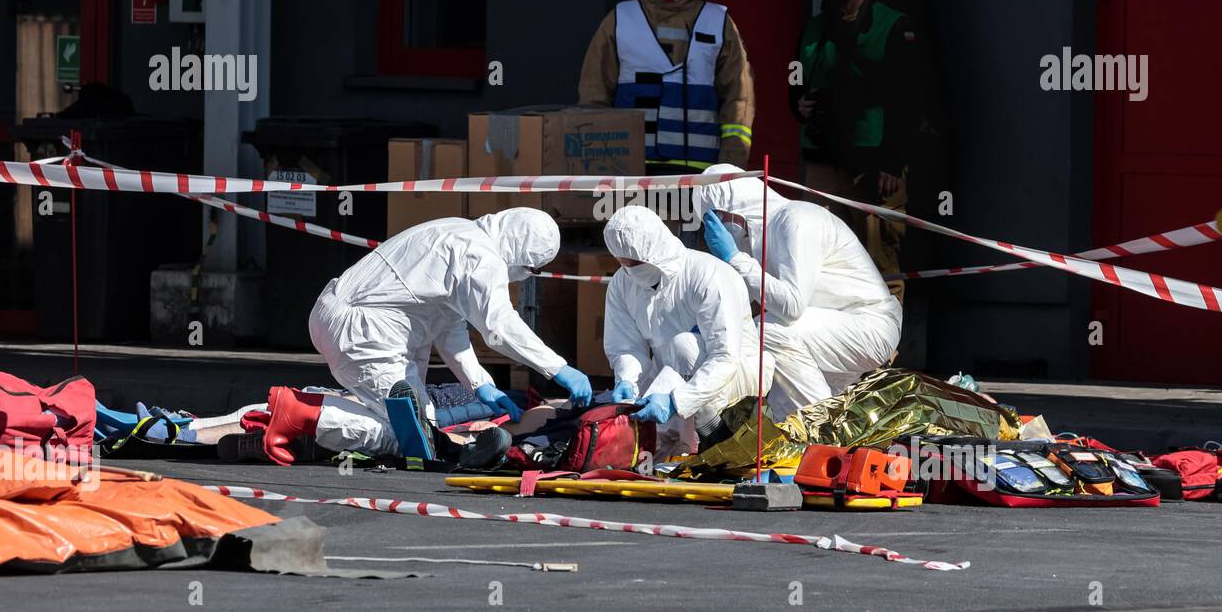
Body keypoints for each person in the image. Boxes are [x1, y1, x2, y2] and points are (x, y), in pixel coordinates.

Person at [306, 208, 593, 458]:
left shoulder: (456, 229)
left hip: (345, 317)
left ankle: (304, 410)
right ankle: (304, 421)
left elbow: (449, 326)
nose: (527, 274)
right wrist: (558, 368)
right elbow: (500, 325)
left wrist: (480, 384)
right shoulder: (483, 258)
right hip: (369, 333)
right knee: (414, 436)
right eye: (532, 269)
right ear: (522, 255)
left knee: (414, 420)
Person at [693, 164, 902, 418]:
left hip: (869, 325)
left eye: (716, 221)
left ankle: (821, 431)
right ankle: (802, 443)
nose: (717, 232)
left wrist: (735, 257)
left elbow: (792, 306)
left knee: (767, 331)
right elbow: (741, 306)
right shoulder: (760, 240)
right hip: (833, 329)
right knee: (784, 401)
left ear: (733, 208)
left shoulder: (795, 220)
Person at [789, 0, 920, 301]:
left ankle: (885, 354)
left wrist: (893, 163)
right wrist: (798, 103)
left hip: (874, 166)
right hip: (823, 163)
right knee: (820, 262)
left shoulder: (894, 27)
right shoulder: (815, 27)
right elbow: (794, 77)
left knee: (880, 266)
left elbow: (909, 101)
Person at [578, 0, 755, 173]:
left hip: (700, 175)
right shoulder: (619, 20)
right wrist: (597, 163)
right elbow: (593, 98)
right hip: (630, 169)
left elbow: (739, 99)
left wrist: (731, 168)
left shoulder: (719, 23)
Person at [601, 205, 772, 457]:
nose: (629, 269)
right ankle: (683, 439)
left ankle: (713, 439)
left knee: (684, 347)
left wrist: (677, 401)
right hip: (671, 375)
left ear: (654, 250)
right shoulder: (622, 282)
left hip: (735, 374)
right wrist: (627, 378)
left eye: (634, 263)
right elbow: (626, 346)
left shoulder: (707, 274)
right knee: (635, 432)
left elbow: (724, 358)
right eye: (622, 263)